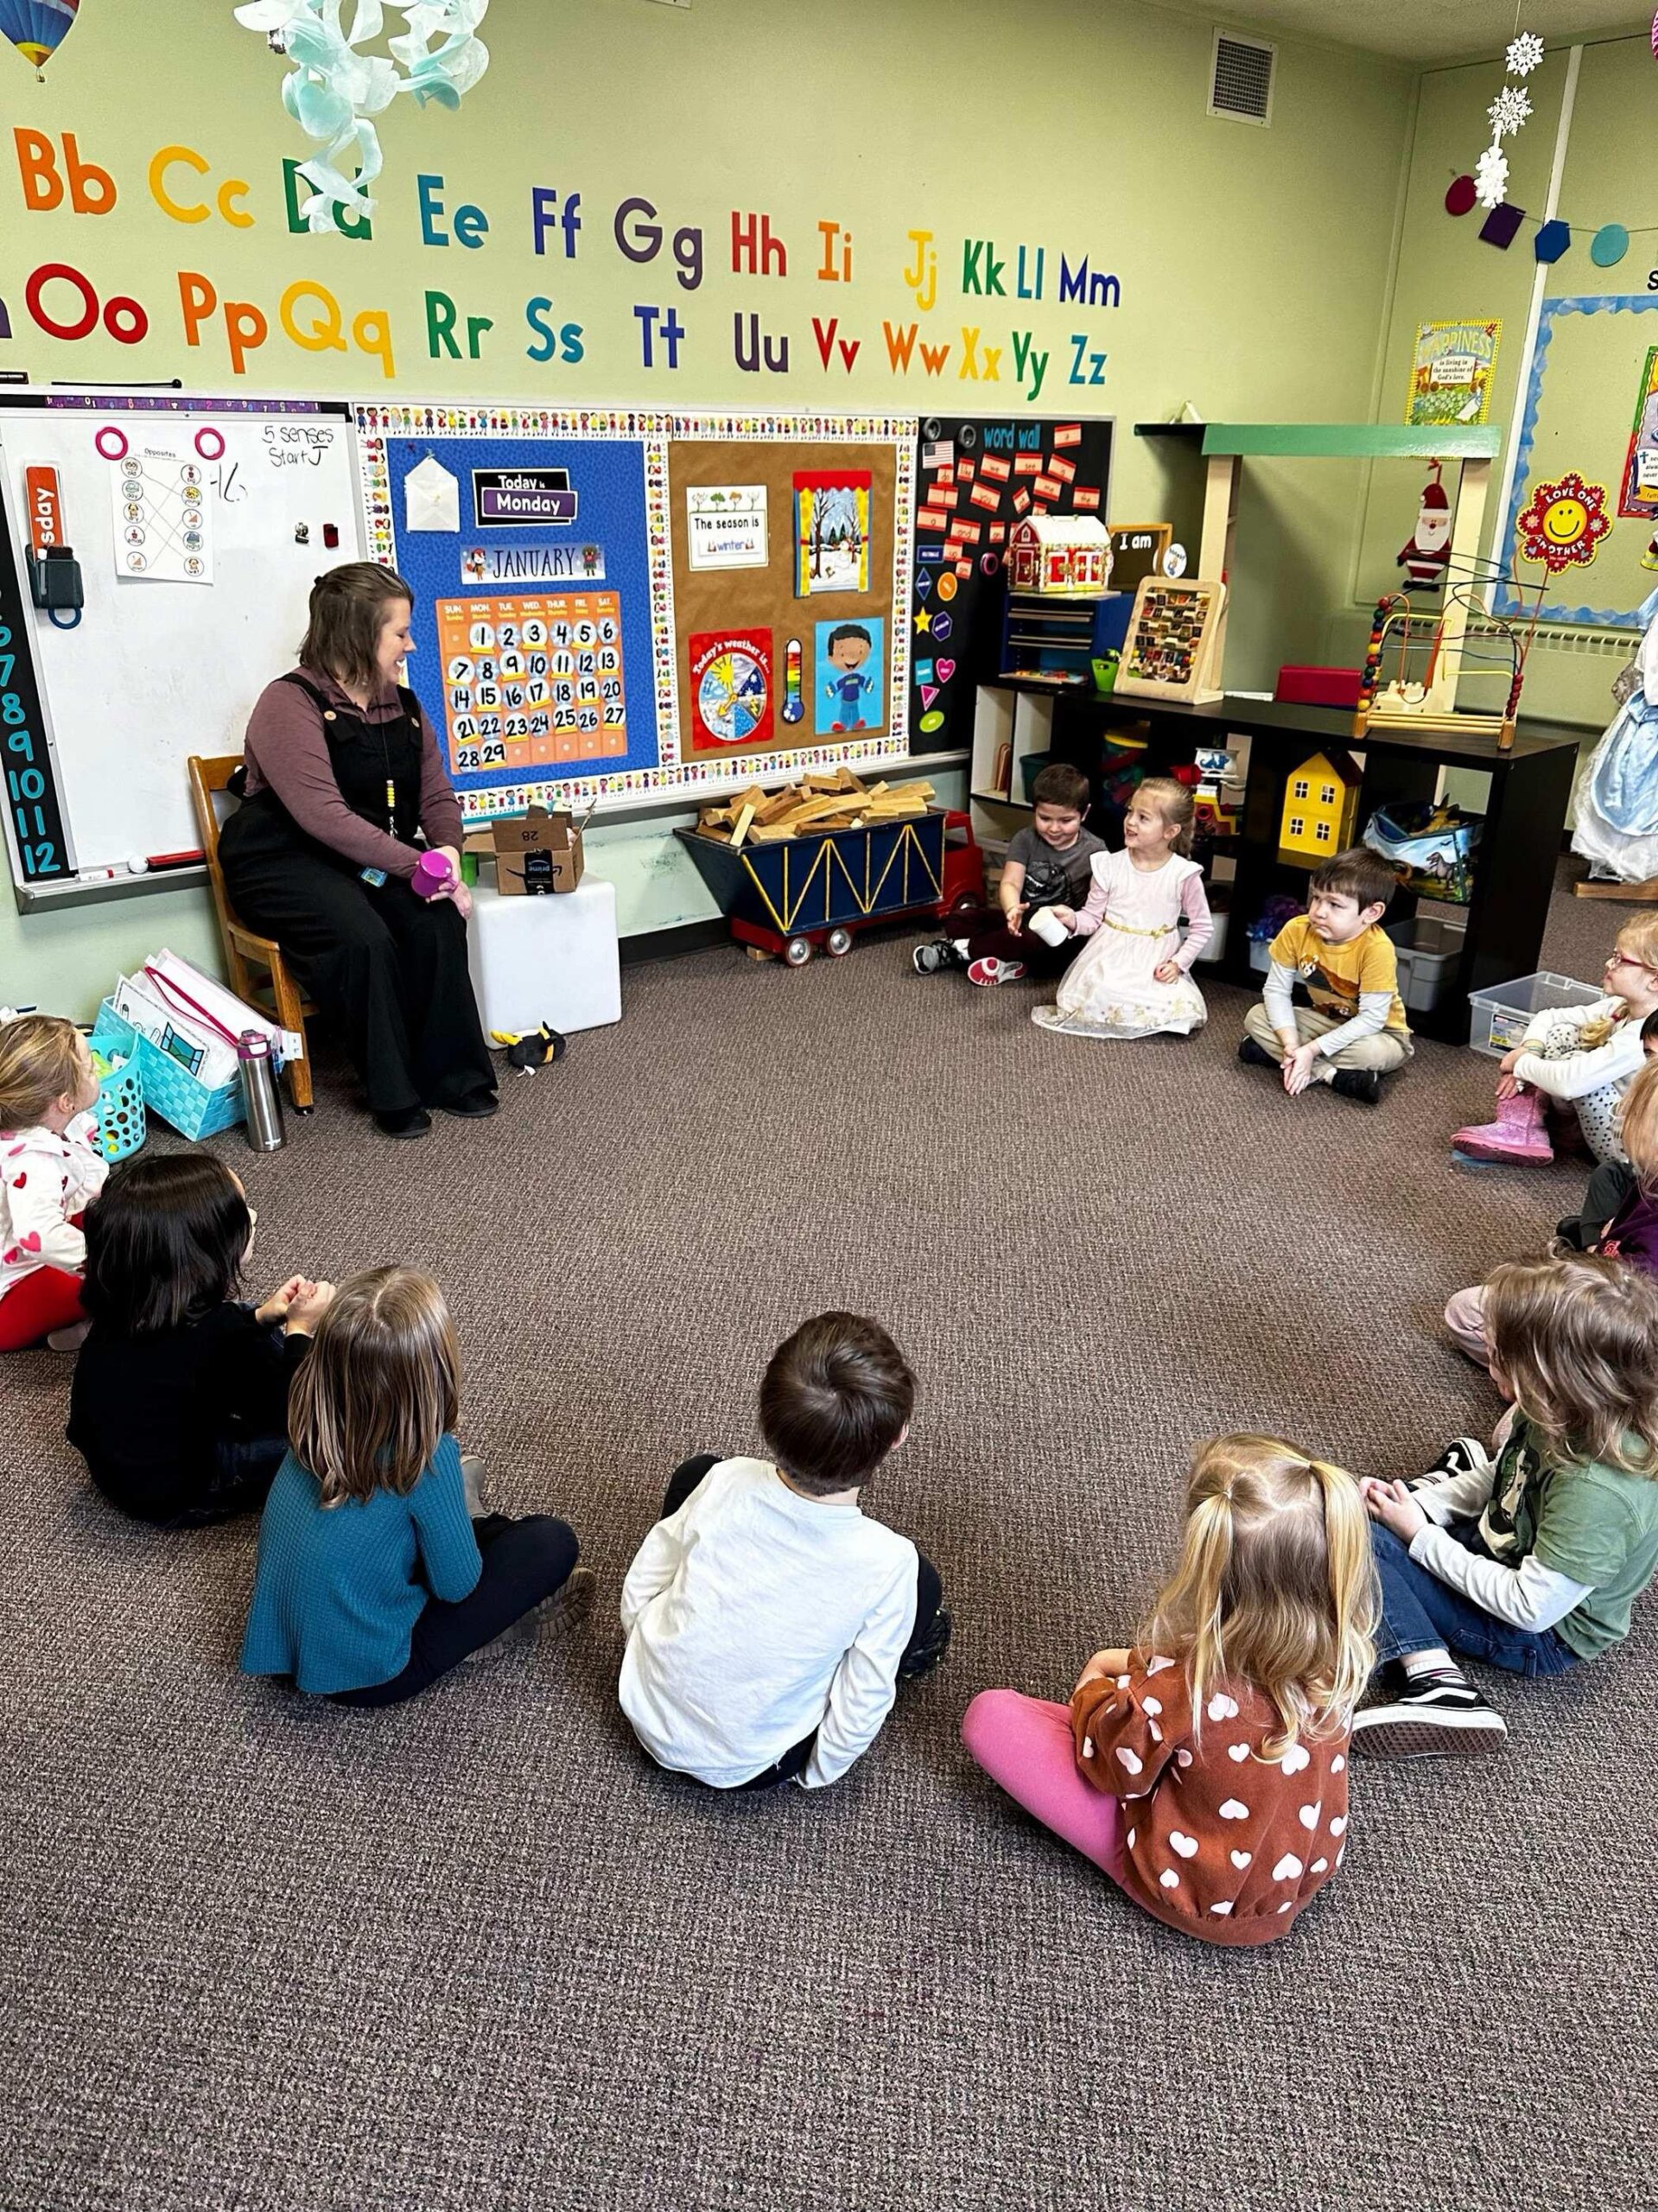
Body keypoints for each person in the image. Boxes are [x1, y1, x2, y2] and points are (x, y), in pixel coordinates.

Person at [962, 1434, 1375, 1946]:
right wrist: (1144, 1670)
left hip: (1189, 1893)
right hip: (1287, 1885)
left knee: (993, 1716)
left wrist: (1095, 1686)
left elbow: (1114, 1770)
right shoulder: (1341, 1665)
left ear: (1206, 1566)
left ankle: (1146, 1868)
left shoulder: (1183, 1692)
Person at [217, 562, 498, 1141]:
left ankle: (453, 1077)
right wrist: (418, 863)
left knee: (434, 918)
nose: (410, 644)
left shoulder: (406, 707)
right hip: (281, 859)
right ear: (356, 633)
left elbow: (437, 795)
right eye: (399, 632)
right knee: (362, 936)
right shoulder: (287, 703)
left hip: (363, 859)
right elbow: (323, 818)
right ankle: (392, 1093)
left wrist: (444, 860)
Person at [618, 1311, 951, 1792]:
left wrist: (643, 1650)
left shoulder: (724, 1479)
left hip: (642, 1702)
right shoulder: (890, 1563)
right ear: (898, 1438)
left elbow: (645, 1577)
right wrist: (816, 1772)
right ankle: (913, 1650)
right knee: (924, 1586)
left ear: (767, 1420)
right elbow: (863, 1698)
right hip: (748, 1765)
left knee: (696, 1474)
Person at [1356, 1252, 1658, 1758]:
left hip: (1540, 1632)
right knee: (1361, 1521)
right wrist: (1421, 1504)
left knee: (1359, 1546)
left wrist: (1418, 1535)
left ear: (1555, 1376)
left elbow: (1530, 1608)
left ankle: (1441, 1684)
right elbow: (1504, 1471)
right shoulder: (1554, 1410)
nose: (1489, 1365)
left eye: (1498, 1359)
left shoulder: (1598, 1491)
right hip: (1507, 1545)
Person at [242, 1268, 586, 1706]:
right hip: (371, 1678)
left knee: (399, 1523)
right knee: (550, 1542)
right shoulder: (427, 1458)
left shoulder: (306, 1417)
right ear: (436, 1370)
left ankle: (459, 1512)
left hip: (281, 1646)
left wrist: (300, 1327)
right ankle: (470, 1522)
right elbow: (455, 1588)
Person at [68, 1153, 333, 1528]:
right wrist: (300, 1330)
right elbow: (299, 1417)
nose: (254, 1218)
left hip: (119, 1470)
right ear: (203, 1252)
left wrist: (261, 1317)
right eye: (241, 1213)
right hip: (180, 1492)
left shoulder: (127, 1300)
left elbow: (199, 1345)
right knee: (331, 1442)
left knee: (247, 1317)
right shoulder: (215, 1336)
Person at [1445, 1053, 1658, 1367]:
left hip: (1616, 1339)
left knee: (1467, 1312)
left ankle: (1548, 1387)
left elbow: (1624, 1319)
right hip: (1606, 1308)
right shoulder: (1647, 1182)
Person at [1450, 917, 1658, 1166]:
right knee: (1560, 1033)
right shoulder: (1621, 1006)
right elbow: (1549, 1017)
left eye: (1620, 960)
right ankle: (1525, 1126)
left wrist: (1521, 1065)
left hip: (1630, 1156)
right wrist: (1531, 1048)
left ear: (1654, 980)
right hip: (1608, 1123)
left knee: (1578, 1069)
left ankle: (1529, 1128)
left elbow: (1571, 1084)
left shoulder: (1643, 1036)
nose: (1608, 963)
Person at [1029, 778, 1211, 1037]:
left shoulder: (1183, 874)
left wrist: (1178, 964)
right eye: (1130, 812)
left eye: (1143, 817)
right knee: (1102, 991)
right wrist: (1070, 918)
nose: (1131, 822)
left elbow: (1202, 927)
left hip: (1154, 959)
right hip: (1110, 954)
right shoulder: (1109, 866)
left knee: (1170, 1005)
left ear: (1170, 832)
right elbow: (1091, 918)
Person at [1238, 847, 1411, 1108]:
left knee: (1370, 1052)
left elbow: (1373, 1019)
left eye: (1335, 904)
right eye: (1316, 898)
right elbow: (1275, 991)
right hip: (1325, 1021)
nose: (1319, 911)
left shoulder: (1377, 948)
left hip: (1380, 1034)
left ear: (1371, 913)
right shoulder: (1297, 929)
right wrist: (1291, 1041)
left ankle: (1299, 1063)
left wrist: (1310, 1049)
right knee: (1256, 1017)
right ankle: (1329, 1073)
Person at [911, 761, 1108, 988]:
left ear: (1084, 814)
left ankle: (959, 950)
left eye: (1066, 821)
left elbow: (1096, 911)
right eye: (1045, 818)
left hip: (1061, 935)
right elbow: (1011, 883)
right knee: (957, 919)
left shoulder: (1096, 851)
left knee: (1037, 941)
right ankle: (1007, 961)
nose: (1054, 828)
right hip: (1023, 920)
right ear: (1034, 810)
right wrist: (1012, 909)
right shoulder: (1025, 839)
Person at [0, 1014, 105, 1354]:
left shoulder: (44, 1126)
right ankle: (87, 1320)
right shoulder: (33, 1161)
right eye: (90, 1068)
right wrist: (110, 1261)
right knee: (111, 1277)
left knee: (111, 1215)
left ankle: (74, 1324)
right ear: (64, 1102)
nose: (97, 1072)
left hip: (21, 1256)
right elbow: (38, 1235)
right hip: (7, 1299)